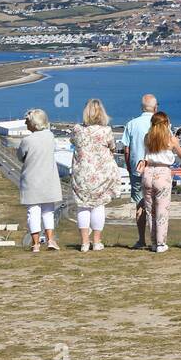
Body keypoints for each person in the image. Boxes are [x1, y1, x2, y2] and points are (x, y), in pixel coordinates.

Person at [70, 98, 120, 252]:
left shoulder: (77, 129)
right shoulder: (106, 130)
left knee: (83, 207)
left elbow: (73, 142)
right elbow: (112, 146)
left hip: (82, 174)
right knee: (98, 206)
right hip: (101, 174)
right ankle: (97, 242)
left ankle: (85, 242)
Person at [136, 111, 181, 253]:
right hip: (162, 173)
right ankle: (160, 243)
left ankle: (153, 242)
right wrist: (177, 142)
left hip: (148, 173)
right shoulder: (170, 139)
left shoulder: (147, 137)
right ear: (166, 124)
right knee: (161, 211)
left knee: (150, 210)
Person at [16, 108, 62, 252]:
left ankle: (35, 244)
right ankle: (51, 240)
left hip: (31, 180)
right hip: (49, 178)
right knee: (48, 211)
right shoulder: (50, 136)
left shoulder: (27, 140)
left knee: (33, 212)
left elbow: (20, 156)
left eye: (27, 121)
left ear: (33, 123)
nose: (25, 123)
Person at [121, 94, 158, 249]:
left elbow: (126, 149)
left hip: (137, 170)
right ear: (155, 108)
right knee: (157, 205)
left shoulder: (131, 124)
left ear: (142, 107)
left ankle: (142, 240)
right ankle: (157, 240)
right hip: (156, 168)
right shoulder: (161, 124)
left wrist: (129, 166)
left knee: (140, 205)